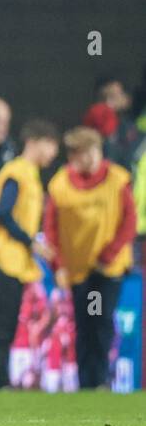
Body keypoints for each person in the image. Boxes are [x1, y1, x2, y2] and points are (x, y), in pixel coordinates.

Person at [0, 120, 60, 388]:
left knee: (7, 321)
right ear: (34, 142)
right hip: (5, 258)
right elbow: (3, 213)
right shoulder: (17, 172)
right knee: (2, 322)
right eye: (50, 145)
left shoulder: (28, 174)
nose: (53, 153)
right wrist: (32, 242)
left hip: (16, 260)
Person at [43, 126, 137, 389]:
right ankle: (86, 383)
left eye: (92, 152)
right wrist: (58, 265)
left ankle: (100, 379)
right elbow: (51, 228)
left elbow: (129, 221)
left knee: (101, 321)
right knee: (83, 325)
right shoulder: (60, 184)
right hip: (78, 269)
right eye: (81, 153)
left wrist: (109, 254)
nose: (88, 158)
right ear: (73, 156)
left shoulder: (117, 179)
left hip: (107, 269)